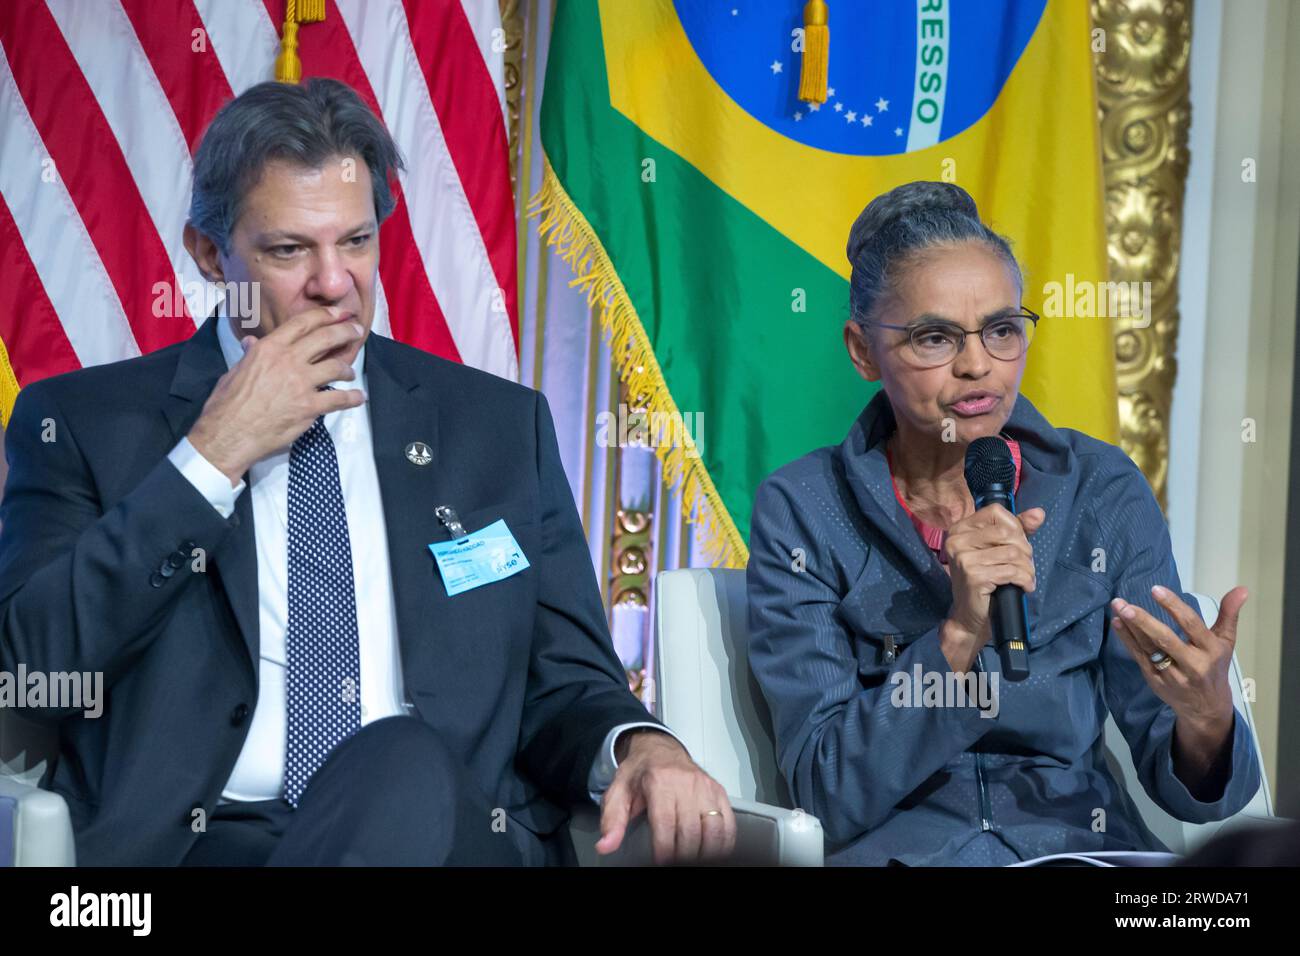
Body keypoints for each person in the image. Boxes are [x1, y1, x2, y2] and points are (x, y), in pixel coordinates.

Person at [0, 78, 734, 867]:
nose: (334, 283)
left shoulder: (493, 427)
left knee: (400, 763)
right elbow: (33, 668)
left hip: (447, 838)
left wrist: (641, 744)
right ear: (210, 254)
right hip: (198, 850)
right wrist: (209, 459)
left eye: (356, 241)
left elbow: (564, 678)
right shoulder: (84, 422)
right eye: (288, 250)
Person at [745, 180, 1261, 865]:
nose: (977, 364)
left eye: (1002, 329)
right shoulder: (804, 507)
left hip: (1080, 848)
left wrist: (1206, 716)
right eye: (935, 337)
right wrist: (958, 636)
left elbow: (1187, 783)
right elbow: (827, 786)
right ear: (863, 350)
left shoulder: (1101, 489)